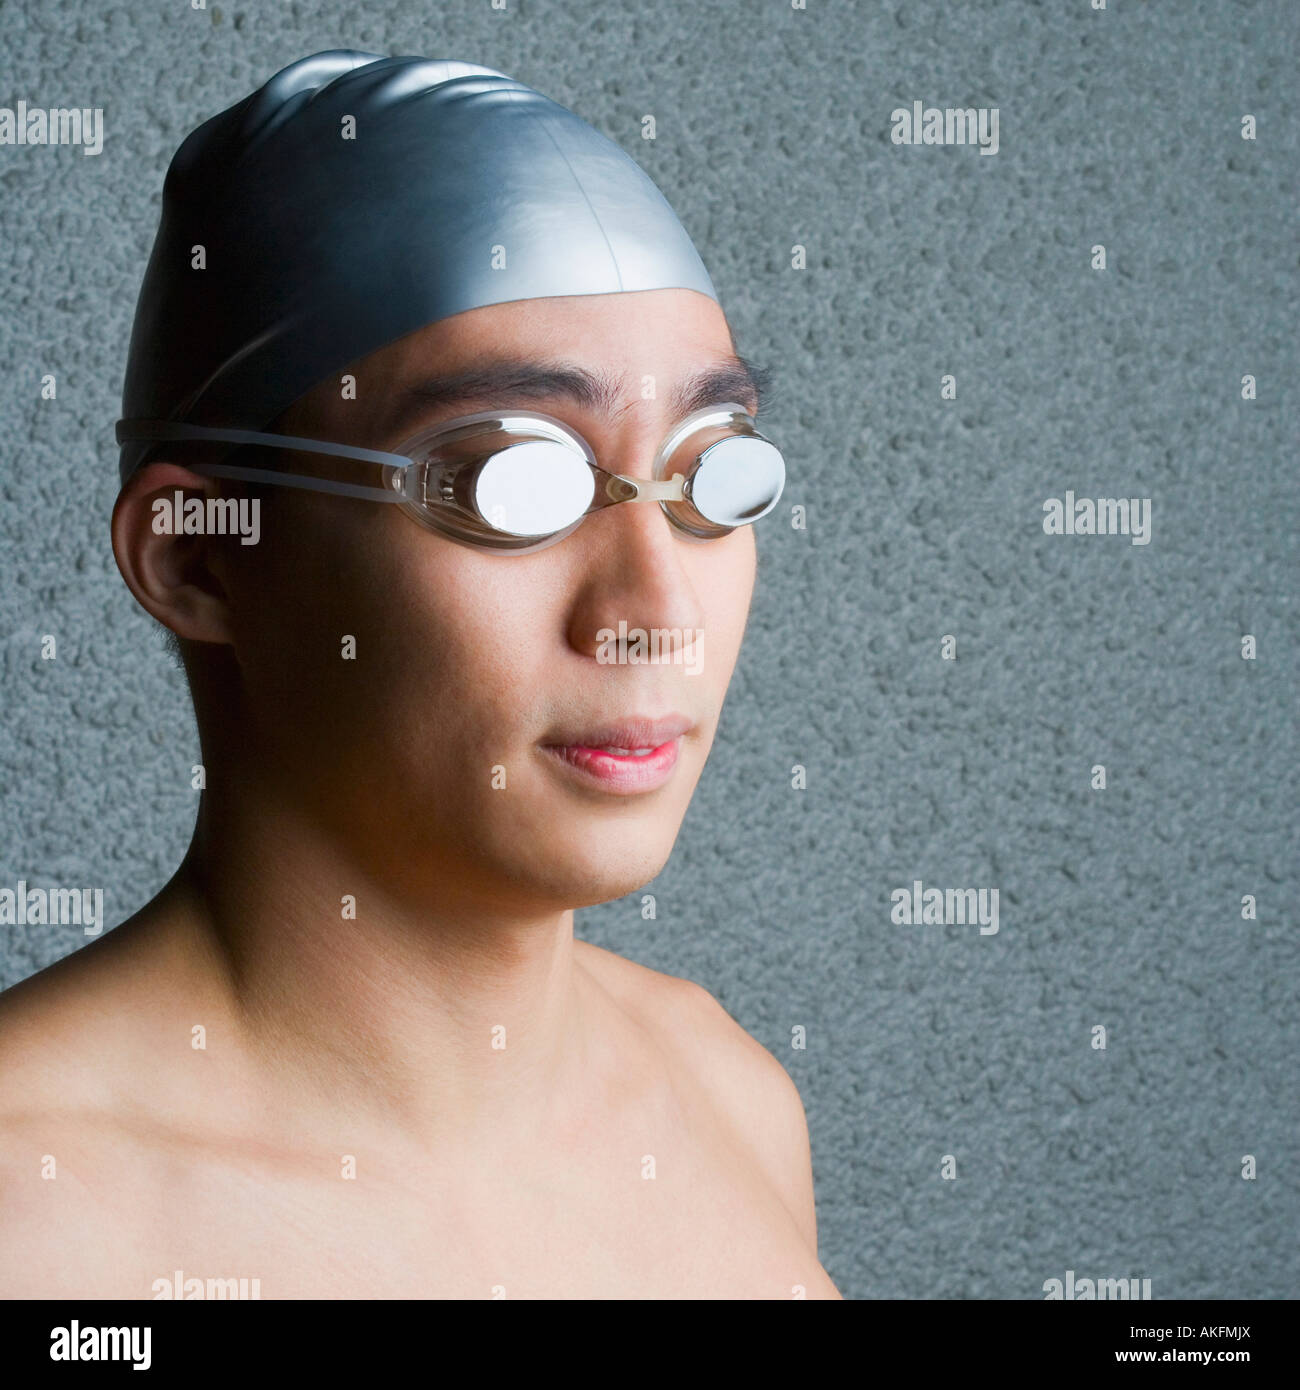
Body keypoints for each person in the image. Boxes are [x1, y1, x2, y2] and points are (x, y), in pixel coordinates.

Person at [0, 51, 840, 1299]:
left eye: (711, 474)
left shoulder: (724, 1096)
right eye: (514, 485)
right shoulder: (40, 1216)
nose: (654, 615)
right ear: (202, 559)